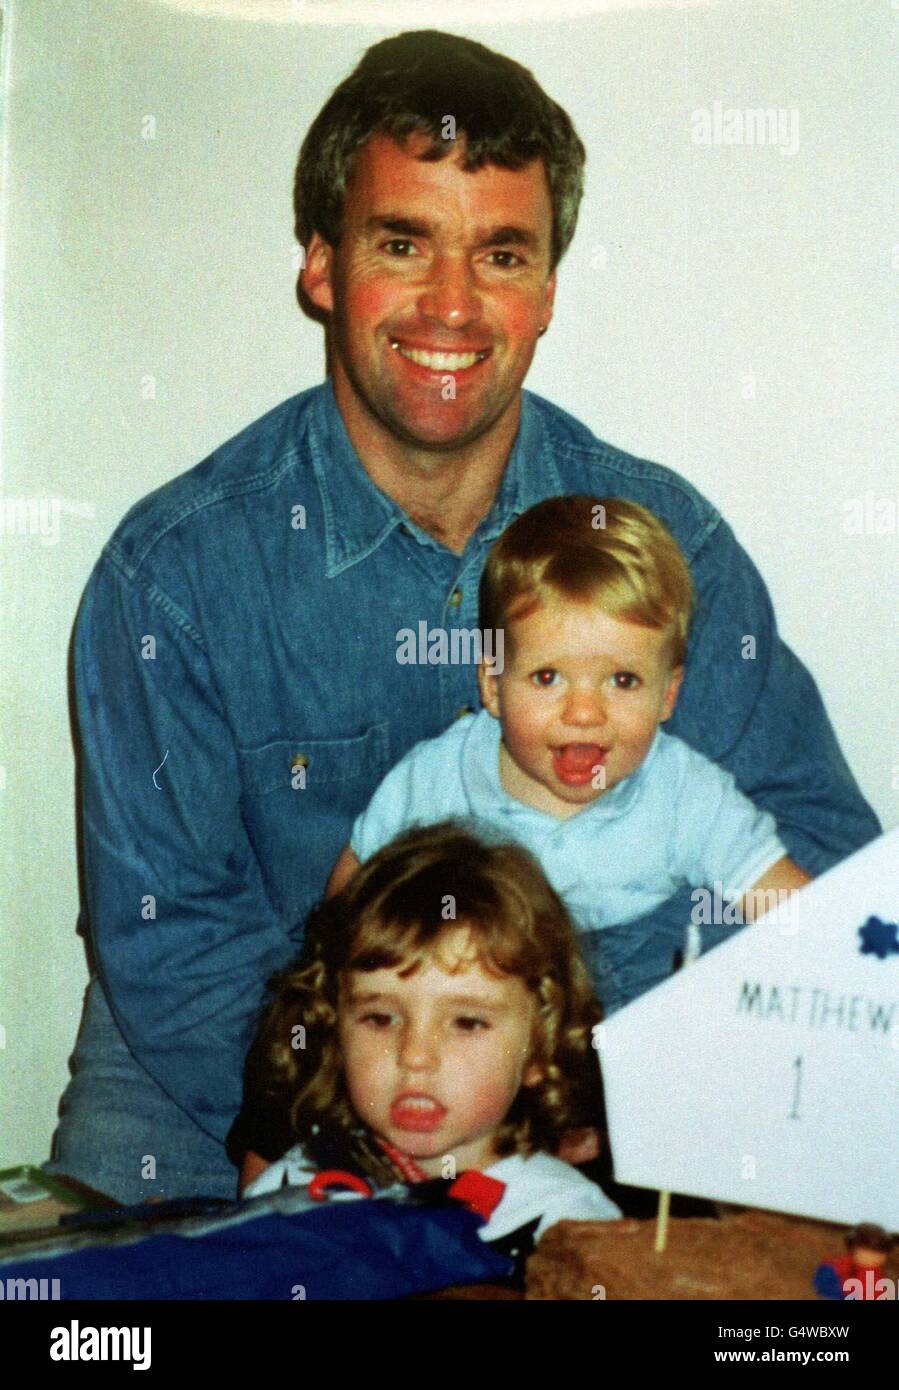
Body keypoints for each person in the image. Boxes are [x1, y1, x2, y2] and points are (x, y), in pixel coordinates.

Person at [47, 30, 879, 1204]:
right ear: (322, 264)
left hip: (586, 1103)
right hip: (234, 1080)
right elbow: (172, 937)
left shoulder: (664, 547)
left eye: (499, 253)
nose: (451, 303)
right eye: (402, 243)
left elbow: (821, 872)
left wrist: (610, 1098)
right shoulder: (172, 576)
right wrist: (338, 1127)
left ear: (545, 289)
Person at [328, 496, 812, 1013]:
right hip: (476, 1048)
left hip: (630, 1040)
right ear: (492, 684)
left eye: (623, 681)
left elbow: (796, 908)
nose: (584, 712)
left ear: (667, 695)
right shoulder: (435, 781)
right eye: (547, 677)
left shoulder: (686, 795)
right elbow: (346, 907)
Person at [234, 822, 621, 1273]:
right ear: (335, 1031)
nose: (415, 1056)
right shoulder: (294, 1188)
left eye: (466, 1022)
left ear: (539, 1049)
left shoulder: (567, 1221)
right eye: (380, 1018)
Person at [813, 1224, 895, 1300]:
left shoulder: (876, 1272)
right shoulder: (834, 1268)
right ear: (853, 1250)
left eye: (880, 1255)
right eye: (867, 1252)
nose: (875, 1258)